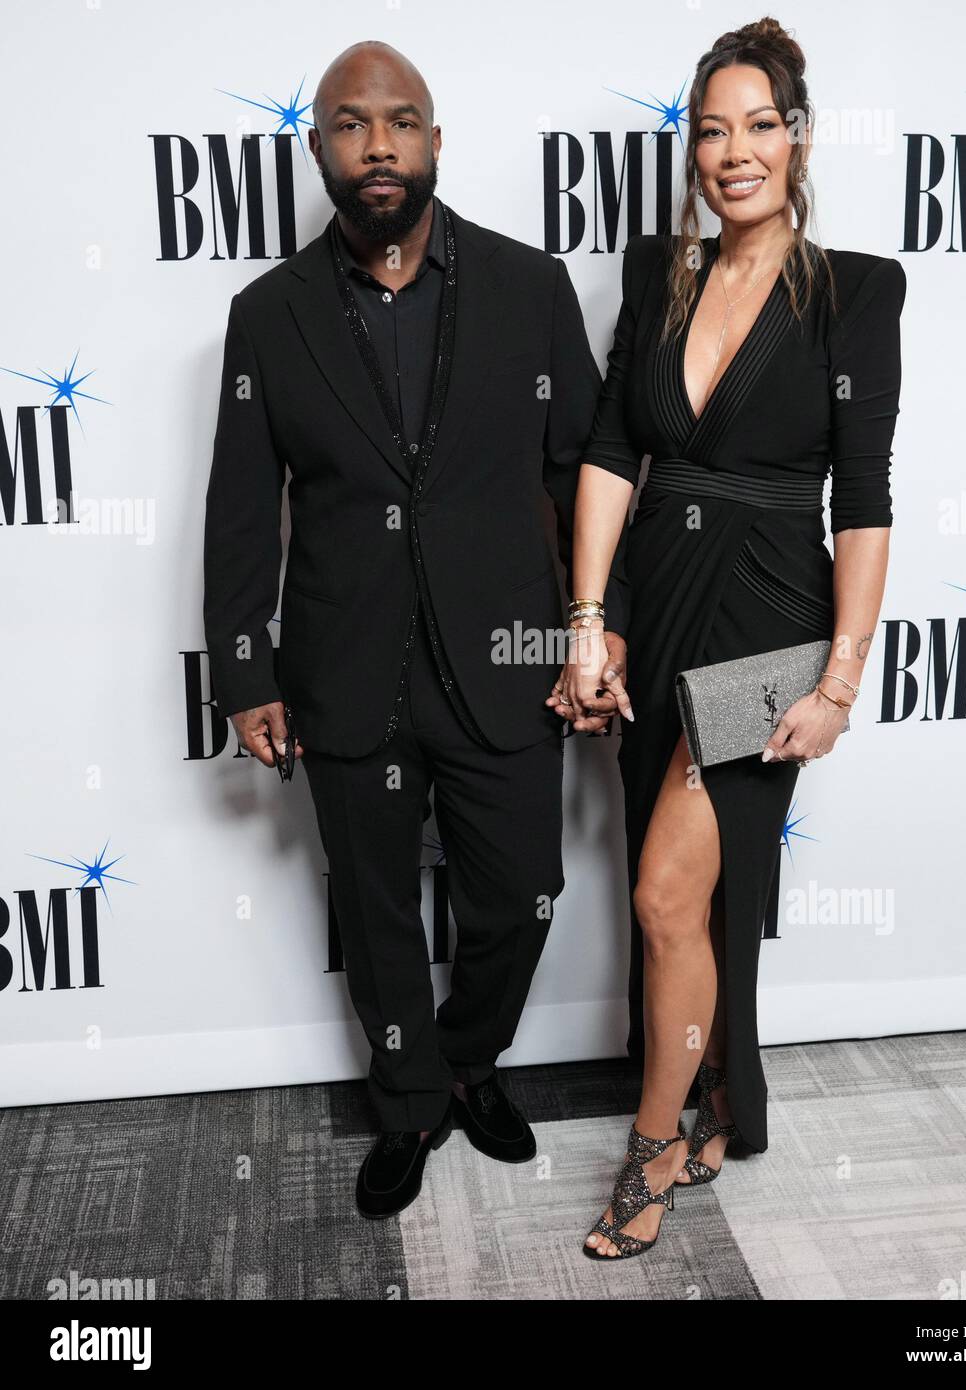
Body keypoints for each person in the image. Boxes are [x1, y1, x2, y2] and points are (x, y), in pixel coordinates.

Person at [202, 40, 630, 1219]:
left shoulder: (528, 287)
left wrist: (602, 633)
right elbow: (243, 506)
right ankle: (406, 1098)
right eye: (349, 124)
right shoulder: (267, 316)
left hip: (511, 660)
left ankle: (470, 1060)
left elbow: (584, 474)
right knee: (375, 902)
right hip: (348, 666)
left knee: (521, 891)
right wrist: (245, 670)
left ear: (436, 143)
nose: (377, 143)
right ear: (320, 149)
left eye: (400, 121)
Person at [546, 17, 907, 1258]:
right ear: (689, 146)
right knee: (688, 905)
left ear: (797, 139)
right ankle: (717, 1110)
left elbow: (860, 498)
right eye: (711, 129)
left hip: (769, 626)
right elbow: (606, 446)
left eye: (759, 125)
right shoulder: (659, 272)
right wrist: (588, 621)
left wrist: (841, 676)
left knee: (661, 892)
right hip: (652, 607)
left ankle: (647, 1156)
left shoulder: (854, 290)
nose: (732, 151)